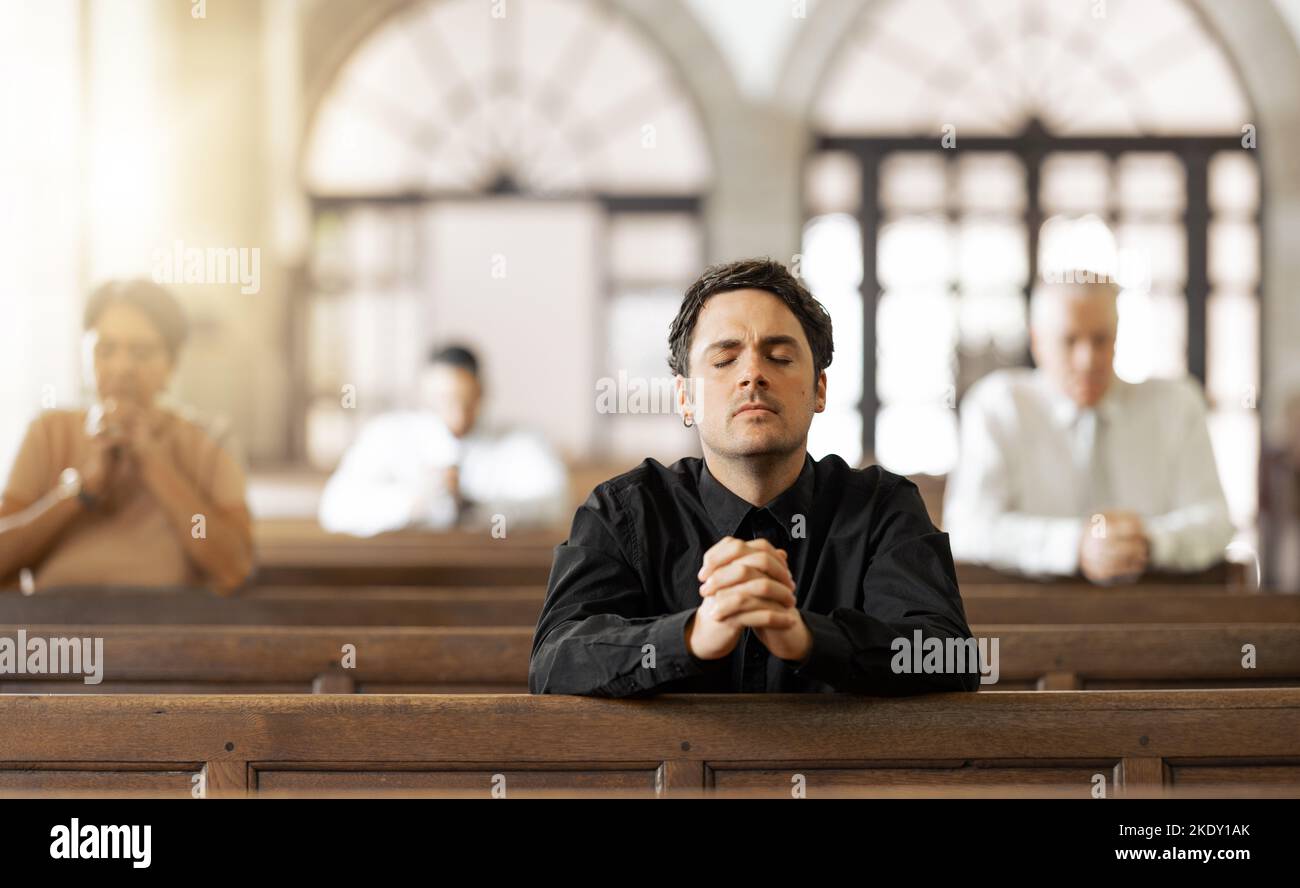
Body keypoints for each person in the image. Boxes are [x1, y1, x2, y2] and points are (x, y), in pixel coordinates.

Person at [530, 259, 979, 696]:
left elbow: (950, 655)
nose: (753, 375)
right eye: (725, 360)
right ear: (686, 398)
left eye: (780, 356)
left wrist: (806, 637)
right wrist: (691, 636)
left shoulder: (882, 508)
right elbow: (555, 659)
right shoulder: (623, 512)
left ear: (820, 389)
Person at [943, 274, 1234, 584]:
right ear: (1037, 341)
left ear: (1118, 334)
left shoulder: (1177, 404)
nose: (1087, 360)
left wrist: (1149, 542)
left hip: (1160, 609)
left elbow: (1215, 521)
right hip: (1035, 612)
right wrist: (1073, 545)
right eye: (1070, 340)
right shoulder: (998, 406)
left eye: (1100, 339)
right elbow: (968, 527)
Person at [0, 279, 253, 593]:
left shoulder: (210, 442)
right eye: (105, 350)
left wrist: (154, 463)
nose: (122, 367)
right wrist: (81, 490)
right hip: (54, 640)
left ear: (172, 364)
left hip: (172, 636)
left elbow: (234, 568)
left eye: (142, 352)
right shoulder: (48, 433)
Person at [317, 344, 568, 537]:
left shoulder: (522, 442)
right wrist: (413, 503)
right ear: (424, 395)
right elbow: (335, 509)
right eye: (444, 400)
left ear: (481, 393)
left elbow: (555, 505)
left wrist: (477, 508)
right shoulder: (386, 435)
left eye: (465, 401)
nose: (456, 414)